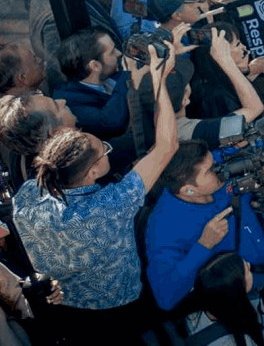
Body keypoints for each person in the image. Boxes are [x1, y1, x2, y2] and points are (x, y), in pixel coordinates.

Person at [12, 43, 177, 341]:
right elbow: (166, 147)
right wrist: (160, 80)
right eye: (104, 151)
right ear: (91, 172)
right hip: (120, 311)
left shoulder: (24, 196)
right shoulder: (107, 207)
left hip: (70, 312)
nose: (62, 101)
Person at [144, 139, 264, 313]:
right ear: (188, 190)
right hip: (251, 292)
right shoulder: (162, 229)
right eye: (211, 170)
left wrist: (262, 172)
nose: (220, 169)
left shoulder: (209, 163)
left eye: (215, 162)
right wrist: (204, 245)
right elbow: (165, 296)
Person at [51, 29, 138, 175]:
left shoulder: (111, 77)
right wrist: (129, 74)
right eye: (111, 52)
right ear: (95, 66)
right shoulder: (71, 102)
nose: (118, 53)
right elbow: (112, 122)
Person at [185, 252, 264, 346]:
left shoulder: (196, 307)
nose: (250, 266)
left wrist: (263, 303)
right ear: (237, 290)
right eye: (247, 270)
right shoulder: (233, 342)